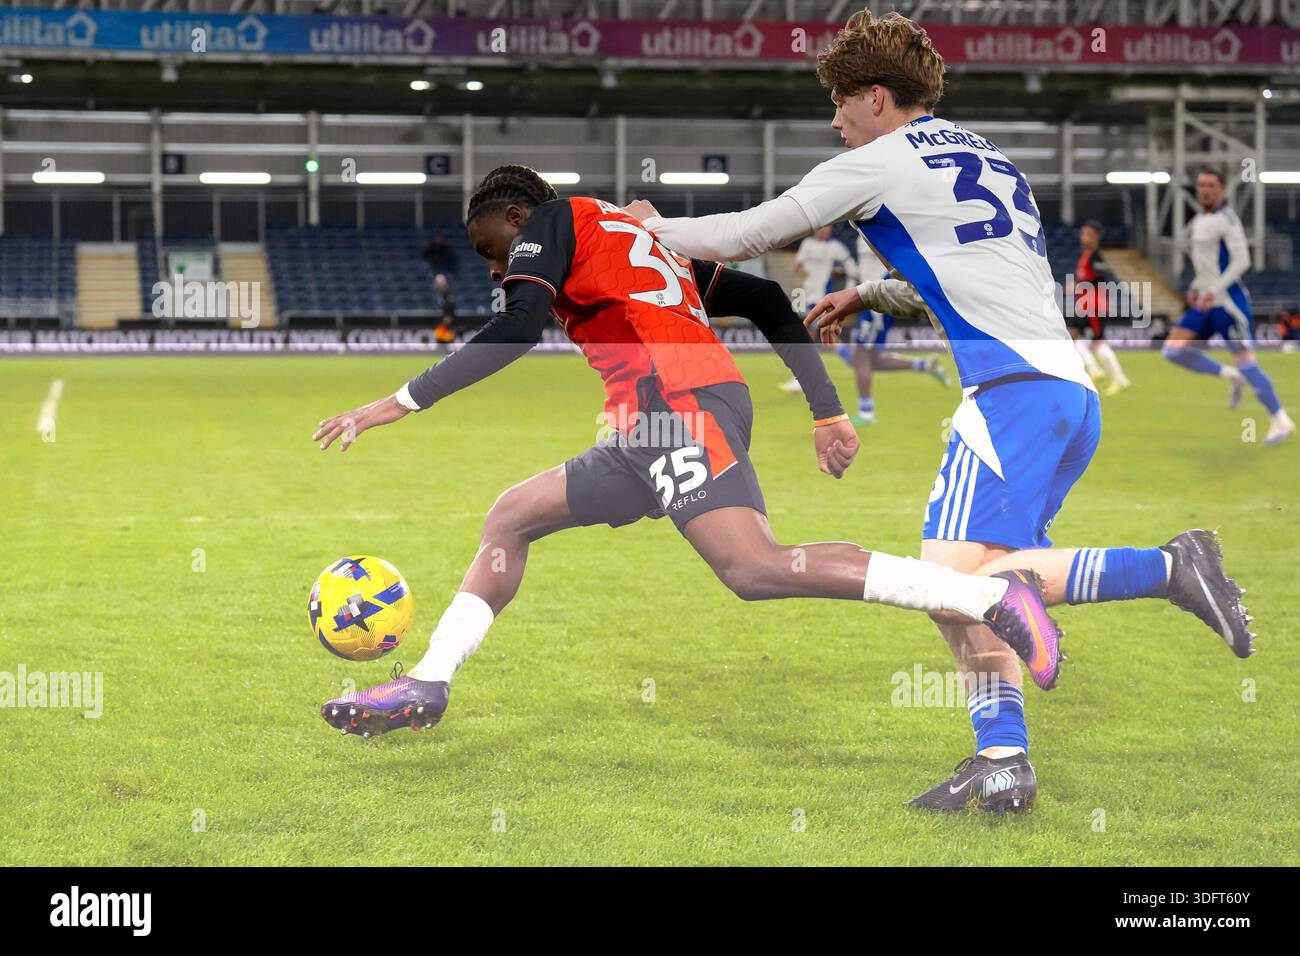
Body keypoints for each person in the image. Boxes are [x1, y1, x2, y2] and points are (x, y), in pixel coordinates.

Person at [624, 9, 1253, 812]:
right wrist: (870, 290)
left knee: (957, 585)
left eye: (842, 102)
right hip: (1065, 394)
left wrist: (653, 228)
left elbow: (752, 233)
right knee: (954, 587)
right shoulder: (986, 154)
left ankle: (1171, 566)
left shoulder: (878, 158)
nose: (836, 118)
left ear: (877, 97)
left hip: (1010, 393)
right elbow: (984, 268)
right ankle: (1003, 762)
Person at [312, 166, 1063, 804]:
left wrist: (399, 401)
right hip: (646, 424)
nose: (494, 268)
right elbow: (768, 301)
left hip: (676, 408)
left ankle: (989, 599)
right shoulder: (629, 240)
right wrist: (826, 409)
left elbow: (518, 327)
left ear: (517, 216)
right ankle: (430, 685)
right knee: (512, 516)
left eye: (492, 249)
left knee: (754, 568)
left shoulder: (550, 219)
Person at [1162, 168, 1293, 445]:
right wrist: (1198, 285)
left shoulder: (1227, 220)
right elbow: (1206, 266)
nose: (1205, 190)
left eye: (1211, 185)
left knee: (1247, 363)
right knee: (1172, 350)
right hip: (1206, 302)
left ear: (1222, 190)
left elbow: (1242, 261)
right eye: (1201, 185)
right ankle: (1230, 376)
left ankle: (1281, 420)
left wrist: (1215, 288)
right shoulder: (1198, 221)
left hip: (1229, 303)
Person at [835, 234, 950, 425]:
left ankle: (866, 412)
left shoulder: (877, 226)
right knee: (872, 361)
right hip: (869, 299)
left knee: (861, 355)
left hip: (875, 302)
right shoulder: (863, 228)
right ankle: (924, 365)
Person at [777, 225, 855, 393]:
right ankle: (851, 357)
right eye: (821, 228)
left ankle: (803, 377)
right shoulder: (807, 244)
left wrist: (847, 287)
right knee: (818, 337)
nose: (824, 231)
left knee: (808, 335)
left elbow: (851, 268)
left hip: (822, 299)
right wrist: (800, 270)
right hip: (807, 296)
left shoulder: (835, 247)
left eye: (827, 228)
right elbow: (797, 266)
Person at [1065, 220, 1130, 396]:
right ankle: (1107, 374)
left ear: (1095, 238)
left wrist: (1080, 285)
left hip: (1093, 306)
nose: (1083, 237)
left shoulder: (1096, 257)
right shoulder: (1086, 256)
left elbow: (1100, 279)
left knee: (1096, 342)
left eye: (1087, 234)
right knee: (1073, 336)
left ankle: (1107, 374)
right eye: (1082, 234)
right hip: (1086, 305)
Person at [433, 273, 458, 343]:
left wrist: (446, 325)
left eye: (441, 282)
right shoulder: (437, 294)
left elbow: (449, 315)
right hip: (439, 327)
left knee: (447, 349)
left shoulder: (448, 295)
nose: (439, 284)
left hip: (447, 329)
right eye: (437, 282)